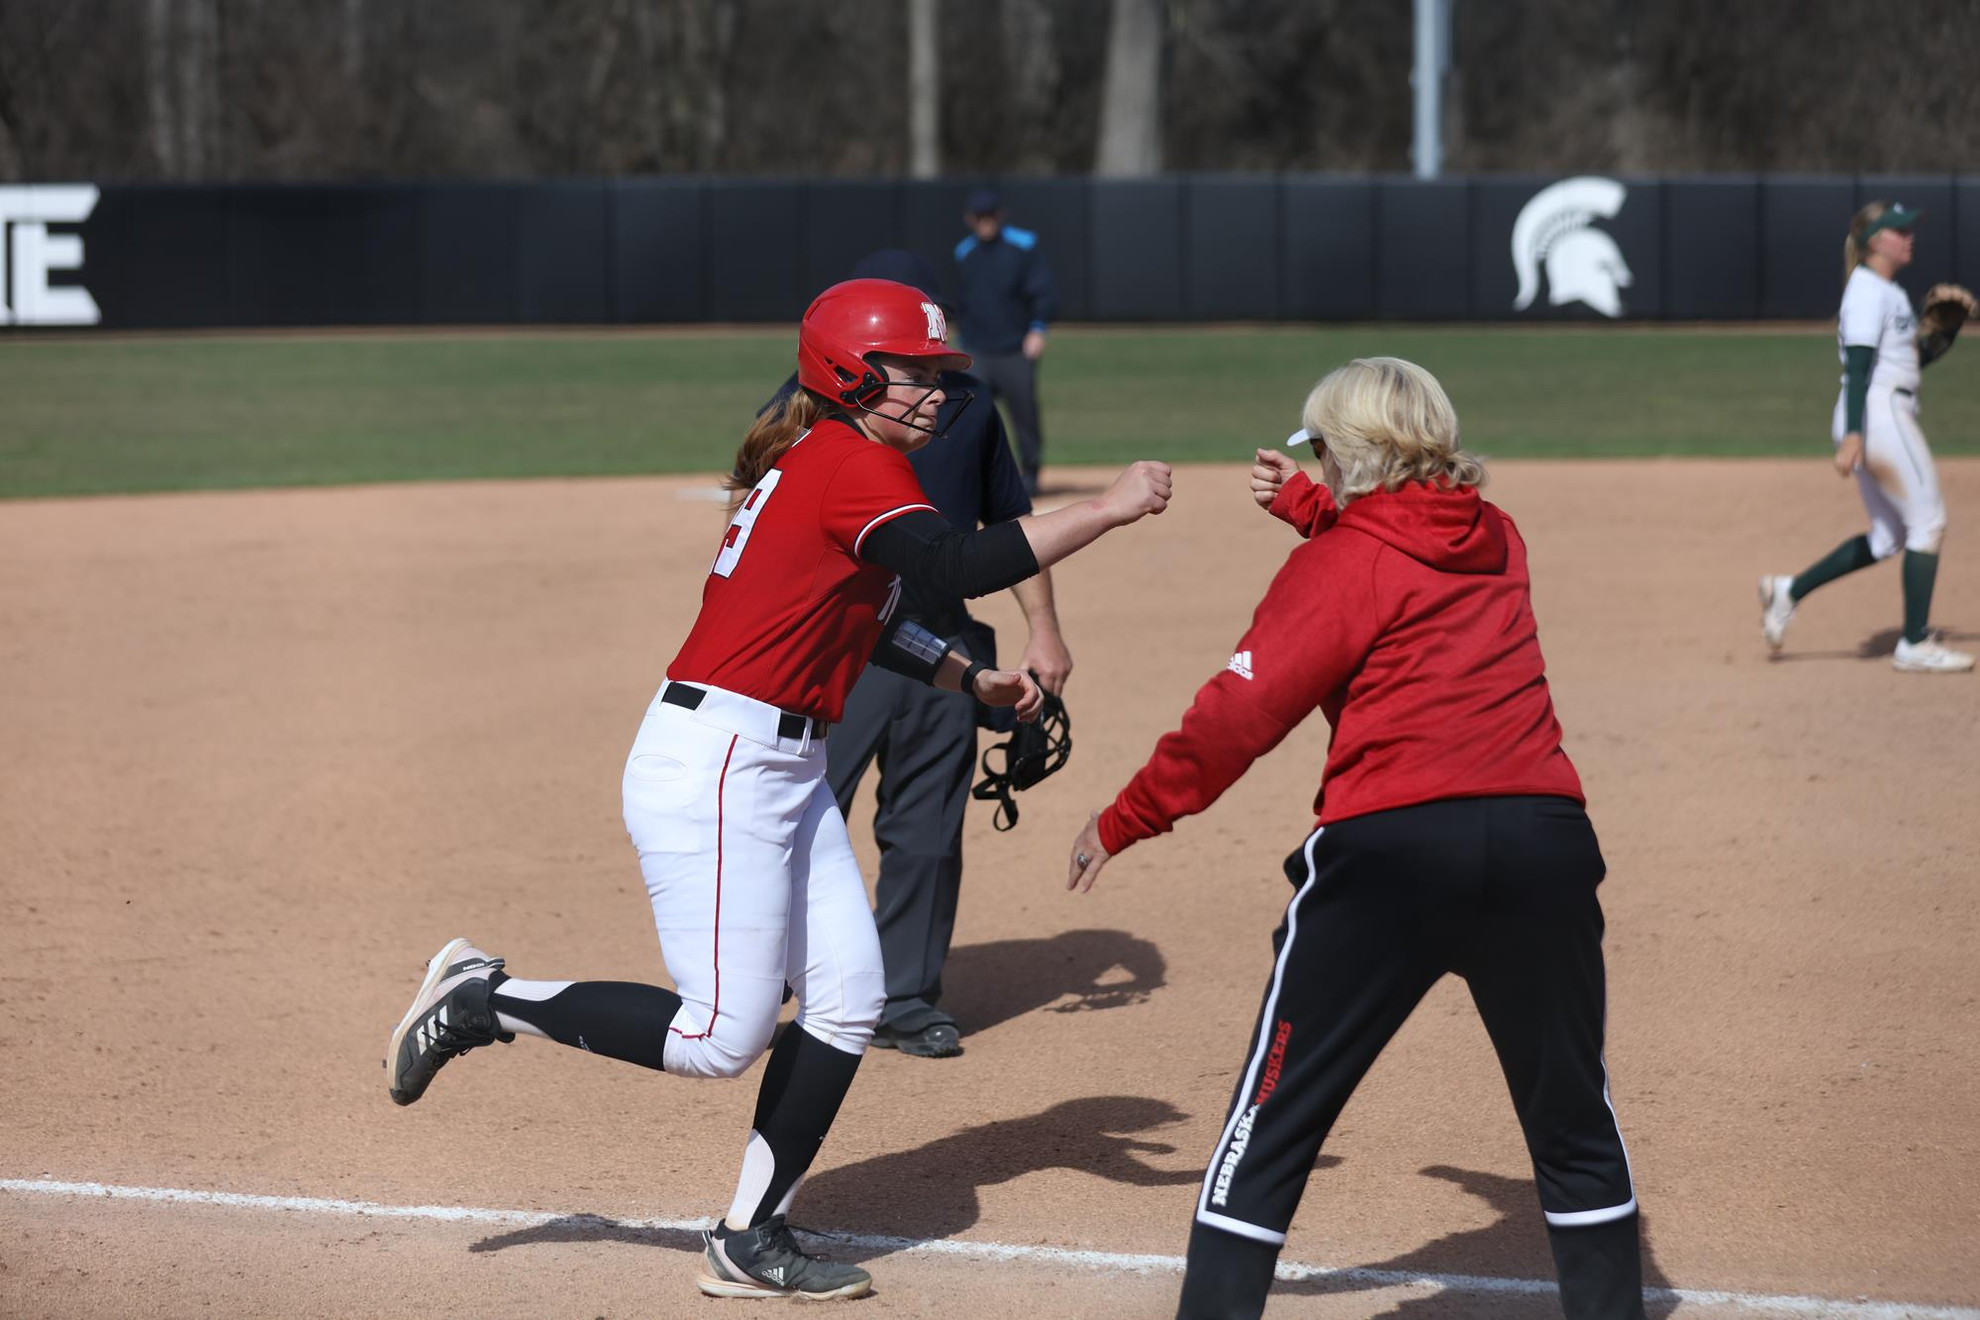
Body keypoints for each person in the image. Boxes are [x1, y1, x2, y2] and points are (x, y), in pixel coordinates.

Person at [384, 277, 1172, 1302]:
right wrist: (1107, 509)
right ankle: (487, 1002)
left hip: (779, 766)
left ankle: (749, 1236)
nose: (937, 391)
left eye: (943, 375)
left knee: (848, 1000)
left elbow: (874, 616)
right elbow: (957, 565)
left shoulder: (842, 465)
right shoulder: (846, 464)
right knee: (720, 1036)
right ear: (853, 372)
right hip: (718, 764)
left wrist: (965, 677)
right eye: (918, 373)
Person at [1065, 358, 1645, 1320]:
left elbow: (1235, 720)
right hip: (1544, 843)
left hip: (1391, 858)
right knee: (1575, 1120)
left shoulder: (1338, 563)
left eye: (1324, 452)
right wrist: (1313, 512)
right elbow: (1401, 558)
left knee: (1272, 1122)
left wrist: (1127, 816)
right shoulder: (1498, 537)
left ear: (1346, 453)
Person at [764, 250, 1074, 1059]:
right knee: (800, 813)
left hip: (944, 635)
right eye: (913, 354)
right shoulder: (807, 410)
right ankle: (768, 981)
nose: (931, 375)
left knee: (928, 830)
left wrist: (1044, 630)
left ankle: (904, 995)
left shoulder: (967, 409)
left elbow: (1007, 527)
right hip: (841, 638)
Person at [1758, 201, 1974, 673]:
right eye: (1900, 231)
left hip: (1881, 408)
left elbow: (1902, 361)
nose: (1909, 237)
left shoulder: (1885, 291)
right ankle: (1914, 644)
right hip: (1878, 413)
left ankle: (1788, 590)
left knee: (1890, 535)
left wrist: (1941, 338)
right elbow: (1857, 367)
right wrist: (1854, 434)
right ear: (1877, 240)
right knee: (1929, 522)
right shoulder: (1866, 291)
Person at [955, 187, 1057, 495]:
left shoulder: (1023, 245)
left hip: (1015, 347)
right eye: (979, 217)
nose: (985, 222)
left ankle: (1030, 474)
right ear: (970, 219)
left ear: (1000, 215)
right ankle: (976, 476)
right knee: (969, 415)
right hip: (976, 348)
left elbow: (1042, 291)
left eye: (990, 215)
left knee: (1024, 414)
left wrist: (1037, 329)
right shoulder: (965, 252)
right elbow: (965, 300)